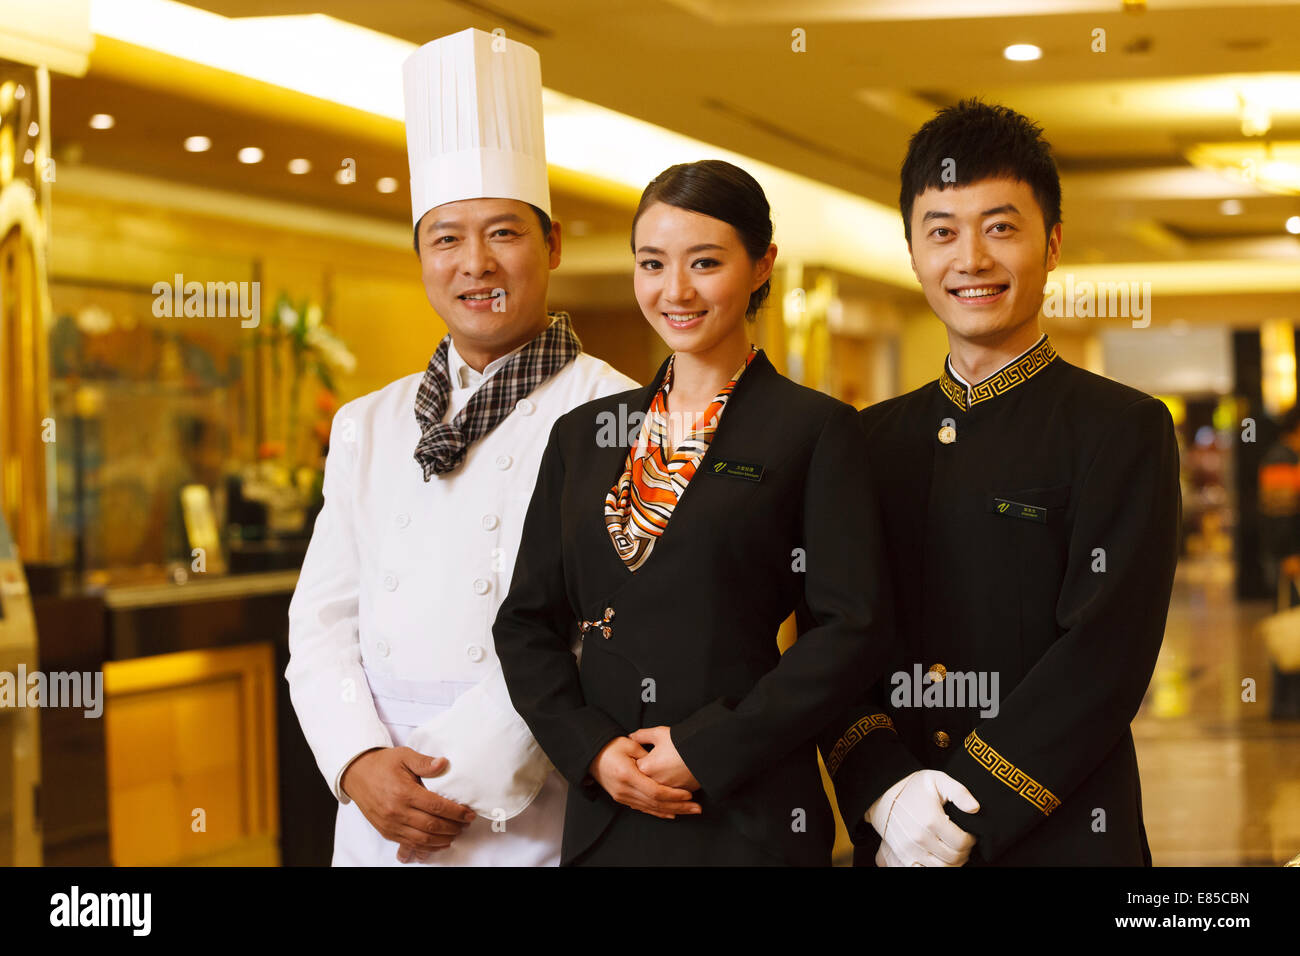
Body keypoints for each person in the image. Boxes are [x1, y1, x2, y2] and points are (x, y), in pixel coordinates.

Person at [285, 27, 635, 867]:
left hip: (523, 809)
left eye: (504, 234)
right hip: (373, 814)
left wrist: (456, 778)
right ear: (420, 259)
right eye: (446, 238)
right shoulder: (369, 422)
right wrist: (357, 761)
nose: (475, 264)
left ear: (551, 246)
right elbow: (324, 616)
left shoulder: (619, 411)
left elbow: (605, 628)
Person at [493, 159, 892, 866]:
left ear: (762, 265)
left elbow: (851, 629)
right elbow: (526, 622)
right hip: (607, 813)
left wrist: (708, 747)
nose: (674, 290)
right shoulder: (585, 435)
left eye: (704, 262)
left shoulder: (812, 430)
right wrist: (589, 748)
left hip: (743, 808)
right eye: (652, 263)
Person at [820, 100, 1181, 867]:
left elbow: (1105, 654)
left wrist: (962, 812)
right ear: (913, 251)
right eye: (942, 231)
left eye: (1001, 227)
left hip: (1059, 836)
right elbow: (832, 635)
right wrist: (887, 796)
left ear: (1051, 245)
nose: (971, 259)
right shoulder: (863, 440)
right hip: (896, 843)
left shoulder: (1122, 428)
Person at [1258, 406, 1300, 719]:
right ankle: (1286, 705)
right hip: (1292, 559)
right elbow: (1280, 510)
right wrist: (1288, 554)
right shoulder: (1282, 458)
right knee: (1291, 628)